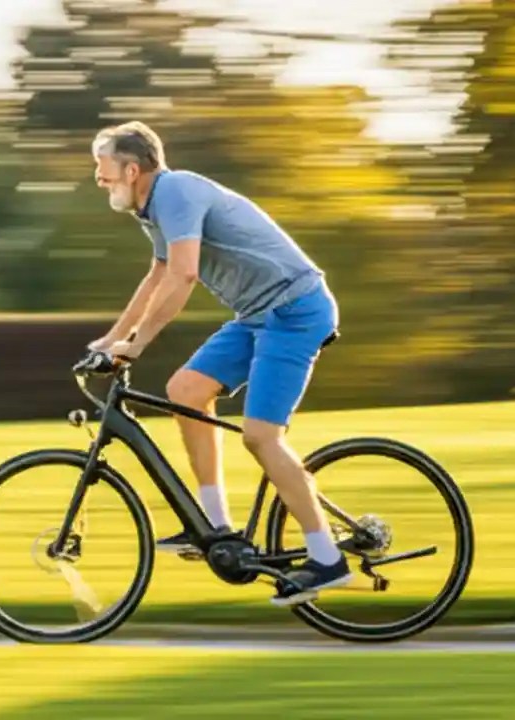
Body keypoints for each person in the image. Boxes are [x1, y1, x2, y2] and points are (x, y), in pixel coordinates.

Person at [86, 120, 349, 606]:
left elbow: (184, 275)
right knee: (185, 391)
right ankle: (214, 527)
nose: (98, 178)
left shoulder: (175, 192)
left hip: (295, 312)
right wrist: (112, 339)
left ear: (132, 169)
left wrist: (137, 344)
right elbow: (158, 274)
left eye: (103, 169)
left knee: (260, 436)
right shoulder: (154, 207)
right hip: (257, 316)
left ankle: (327, 558)